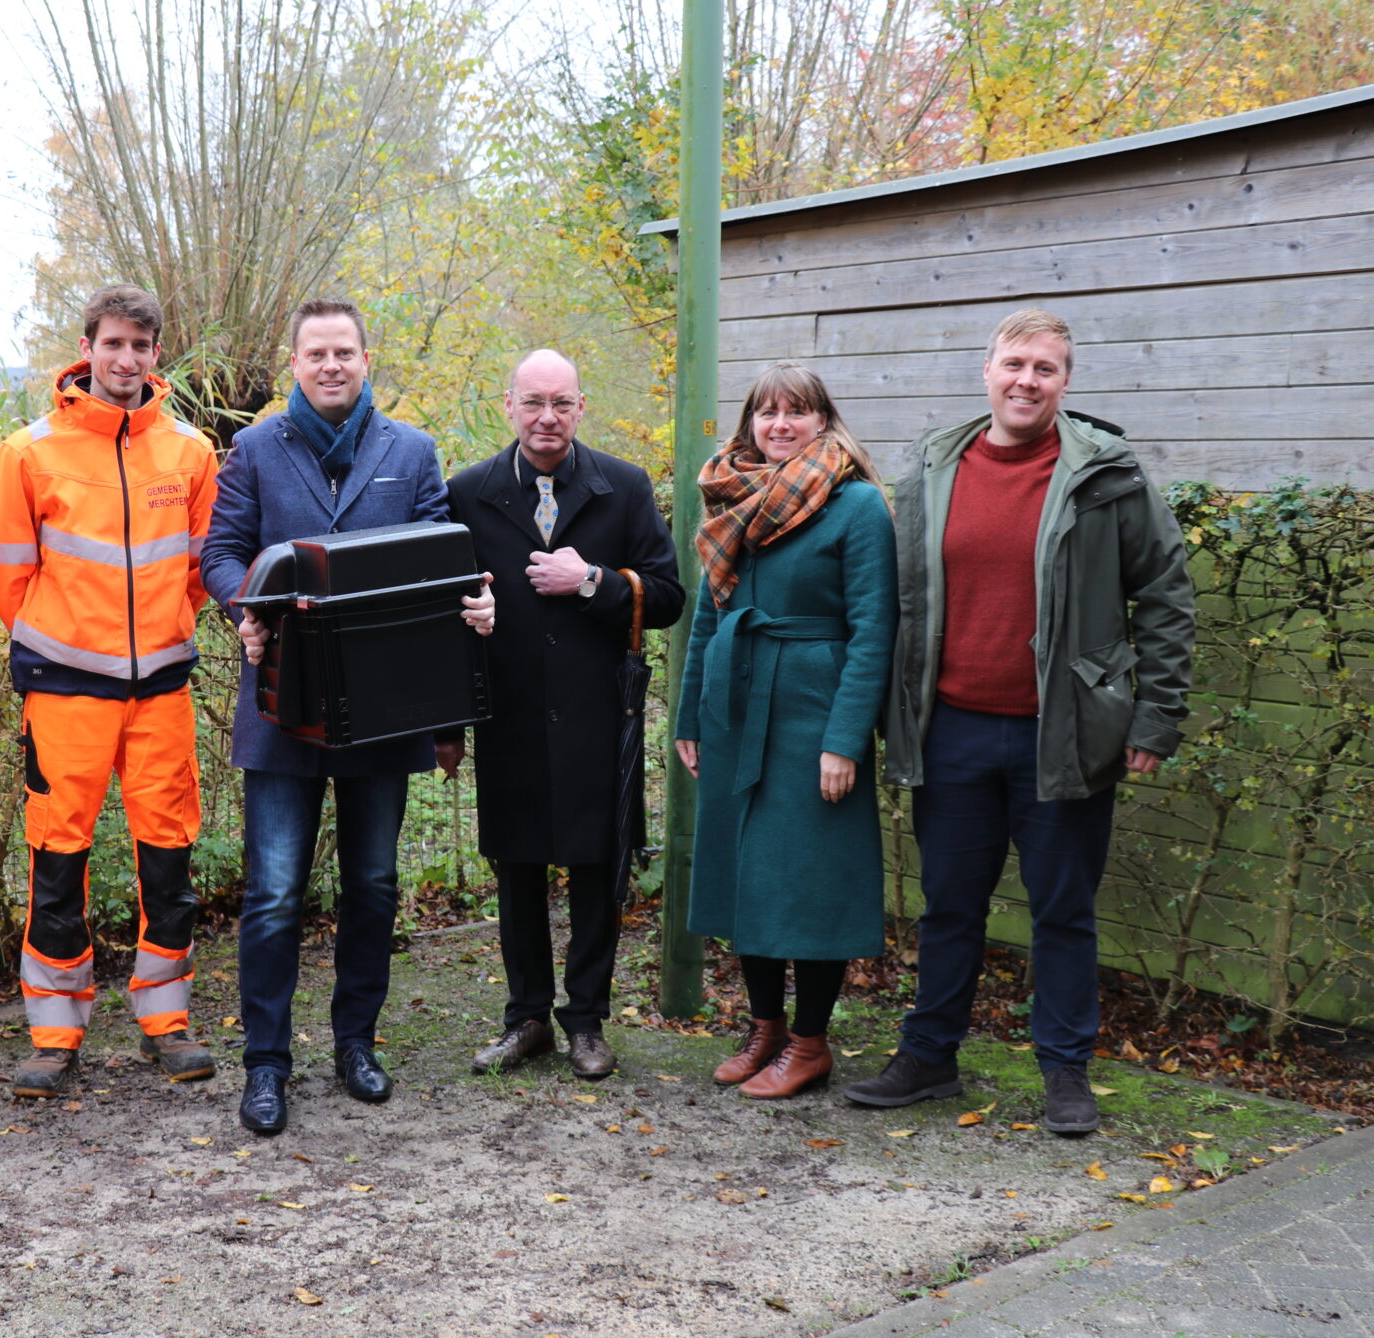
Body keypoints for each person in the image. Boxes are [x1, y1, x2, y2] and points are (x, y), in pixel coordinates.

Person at [845, 308, 1195, 1135]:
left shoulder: (1107, 475)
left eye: (1045, 368)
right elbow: (897, 599)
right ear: (988, 369)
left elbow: (1167, 594)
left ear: (1065, 382)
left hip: (1064, 732)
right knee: (948, 905)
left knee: (1063, 910)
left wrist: (1154, 718)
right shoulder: (934, 467)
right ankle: (930, 1055)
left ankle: (1065, 1071)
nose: (1027, 380)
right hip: (954, 729)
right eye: (1015, 364)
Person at [201, 298, 496, 1136]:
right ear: (294, 362)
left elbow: (448, 558)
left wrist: (473, 605)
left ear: (367, 358)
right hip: (282, 707)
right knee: (273, 894)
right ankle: (266, 1065)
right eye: (316, 353)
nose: (331, 365)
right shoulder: (256, 448)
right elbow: (220, 551)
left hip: (384, 708)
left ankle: (356, 1043)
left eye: (345, 352)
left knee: (371, 884)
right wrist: (243, 607)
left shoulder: (412, 450)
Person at [0, 284, 220, 1097]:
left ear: (158, 354)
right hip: (66, 692)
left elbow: (198, 569)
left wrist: (156, 634)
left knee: (169, 856)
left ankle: (166, 1020)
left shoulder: (189, 450)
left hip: (161, 689)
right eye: (113, 343)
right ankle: (55, 1034)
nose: (126, 359)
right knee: (57, 859)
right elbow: (7, 575)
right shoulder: (29, 450)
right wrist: (69, 639)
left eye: (142, 346)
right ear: (88, 348)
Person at [441, 349, 683, 1081]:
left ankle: (586, 1021)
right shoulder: (468, 492)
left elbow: (668, 596)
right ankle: (526, 1019)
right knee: (515, 866)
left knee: (594, 864)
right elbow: (438, 605)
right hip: (507, 710)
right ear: (507, 405)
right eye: (533, 402)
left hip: (596, 715)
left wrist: (594, 582)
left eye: (562, 403)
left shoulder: (624, 487)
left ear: (582, 409)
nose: (547, 417)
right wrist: (448, 714)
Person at [673, 362, 897, 1099]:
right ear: (750, 423)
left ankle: (809, 1043)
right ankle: (764, 1027)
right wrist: (691, 715)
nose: (780, 424)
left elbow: (873, 631)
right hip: (737, 706)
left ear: (822, 420)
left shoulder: (856, 504)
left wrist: (844, 738)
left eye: (796, 411)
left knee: (811, 878)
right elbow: (709, 616)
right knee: (748, 874)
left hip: (813, 710)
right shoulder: (732, 496)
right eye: (767, 412)